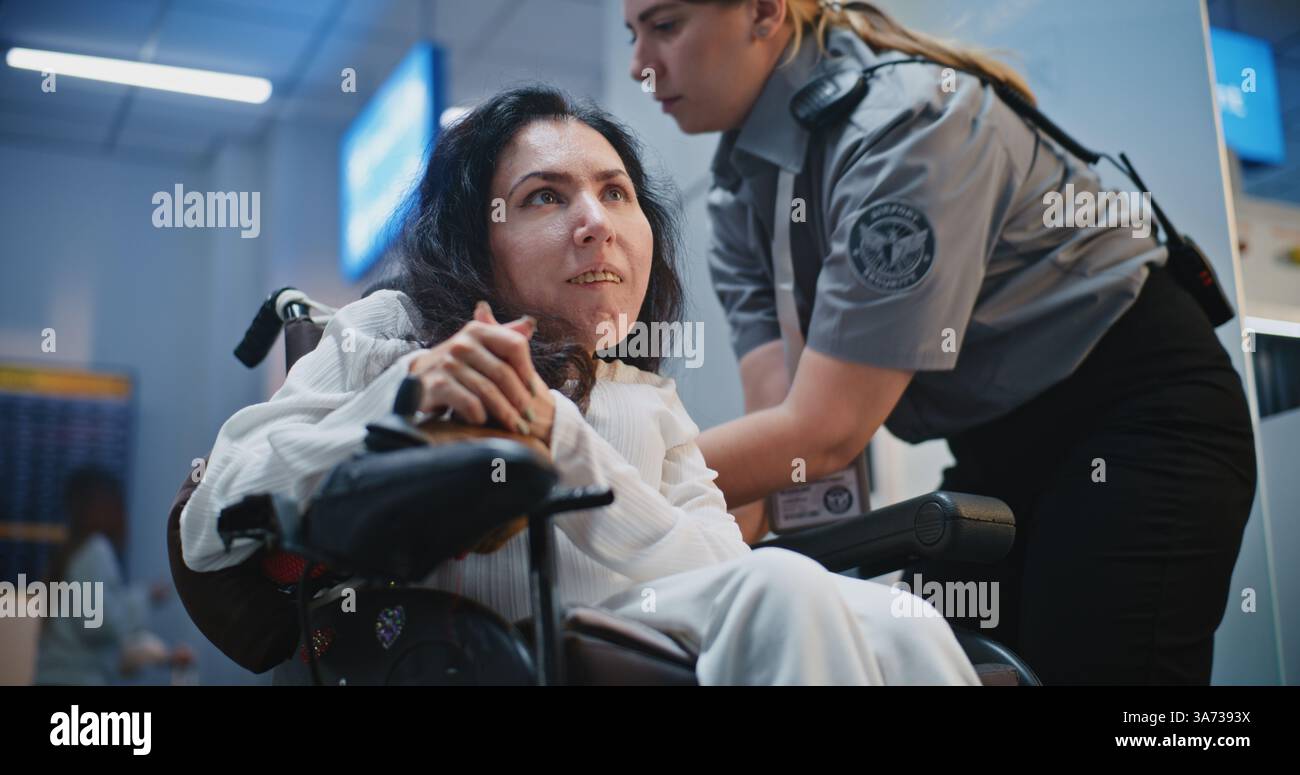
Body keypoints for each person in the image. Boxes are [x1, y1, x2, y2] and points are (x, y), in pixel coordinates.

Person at [180, 85, 980, 686]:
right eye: (545, 197)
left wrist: (566, 444)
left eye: (616, 192)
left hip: (651, 624)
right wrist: (401, 400)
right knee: (783, 590)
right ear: (475, 239)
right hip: (484, 642)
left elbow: (713, 563)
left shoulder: (645, 393)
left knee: (897, 619)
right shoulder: (396, 332)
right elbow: (218, 509)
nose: (594, 220)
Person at [624, 0, 1257, 684]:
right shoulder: (737, 196)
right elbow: (778, 448)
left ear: (764, 12)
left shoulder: (904, 125)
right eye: (632, 35)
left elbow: (825, 431)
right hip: (998, 447)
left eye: (664, 25)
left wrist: (601, 471)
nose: (640, 66)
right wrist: (674, 554)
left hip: (1140, 411)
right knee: (917, 657)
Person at [35, 466, 193, 685]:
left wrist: (162, 657)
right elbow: (98, 625)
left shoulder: (72, 553)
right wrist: (146, 597)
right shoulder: (94, 551)